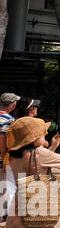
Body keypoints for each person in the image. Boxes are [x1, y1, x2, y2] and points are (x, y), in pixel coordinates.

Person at [0, 92, 17, 220]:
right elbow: (3, 140)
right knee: (7, 185)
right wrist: (3, 157)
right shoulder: (8, 120)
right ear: (12, 104)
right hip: (3, 156)